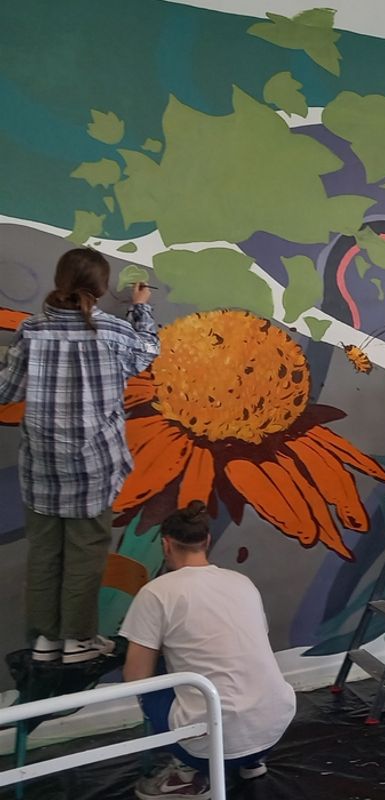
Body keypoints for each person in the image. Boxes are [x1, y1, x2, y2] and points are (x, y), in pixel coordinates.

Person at [0, 248, 159, 665]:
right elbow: (147, 355)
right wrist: (141, 309)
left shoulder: (32, 331)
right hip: (93, 465)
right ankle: (78, 641)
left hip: (42, 465)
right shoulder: (112, 333)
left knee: (45, 553)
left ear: (60, 281)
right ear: (102, 287)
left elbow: (5, 393)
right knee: (86, 553)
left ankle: (44, 640)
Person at [121, 501, 296, 800]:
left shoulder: (156, 592)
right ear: (207, 542)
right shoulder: (242, 582)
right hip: (273, 729)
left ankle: (187, 775)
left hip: (208, 750)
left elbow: (135, 677)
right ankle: (252, 762)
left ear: (166, 545)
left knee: (153, 677)